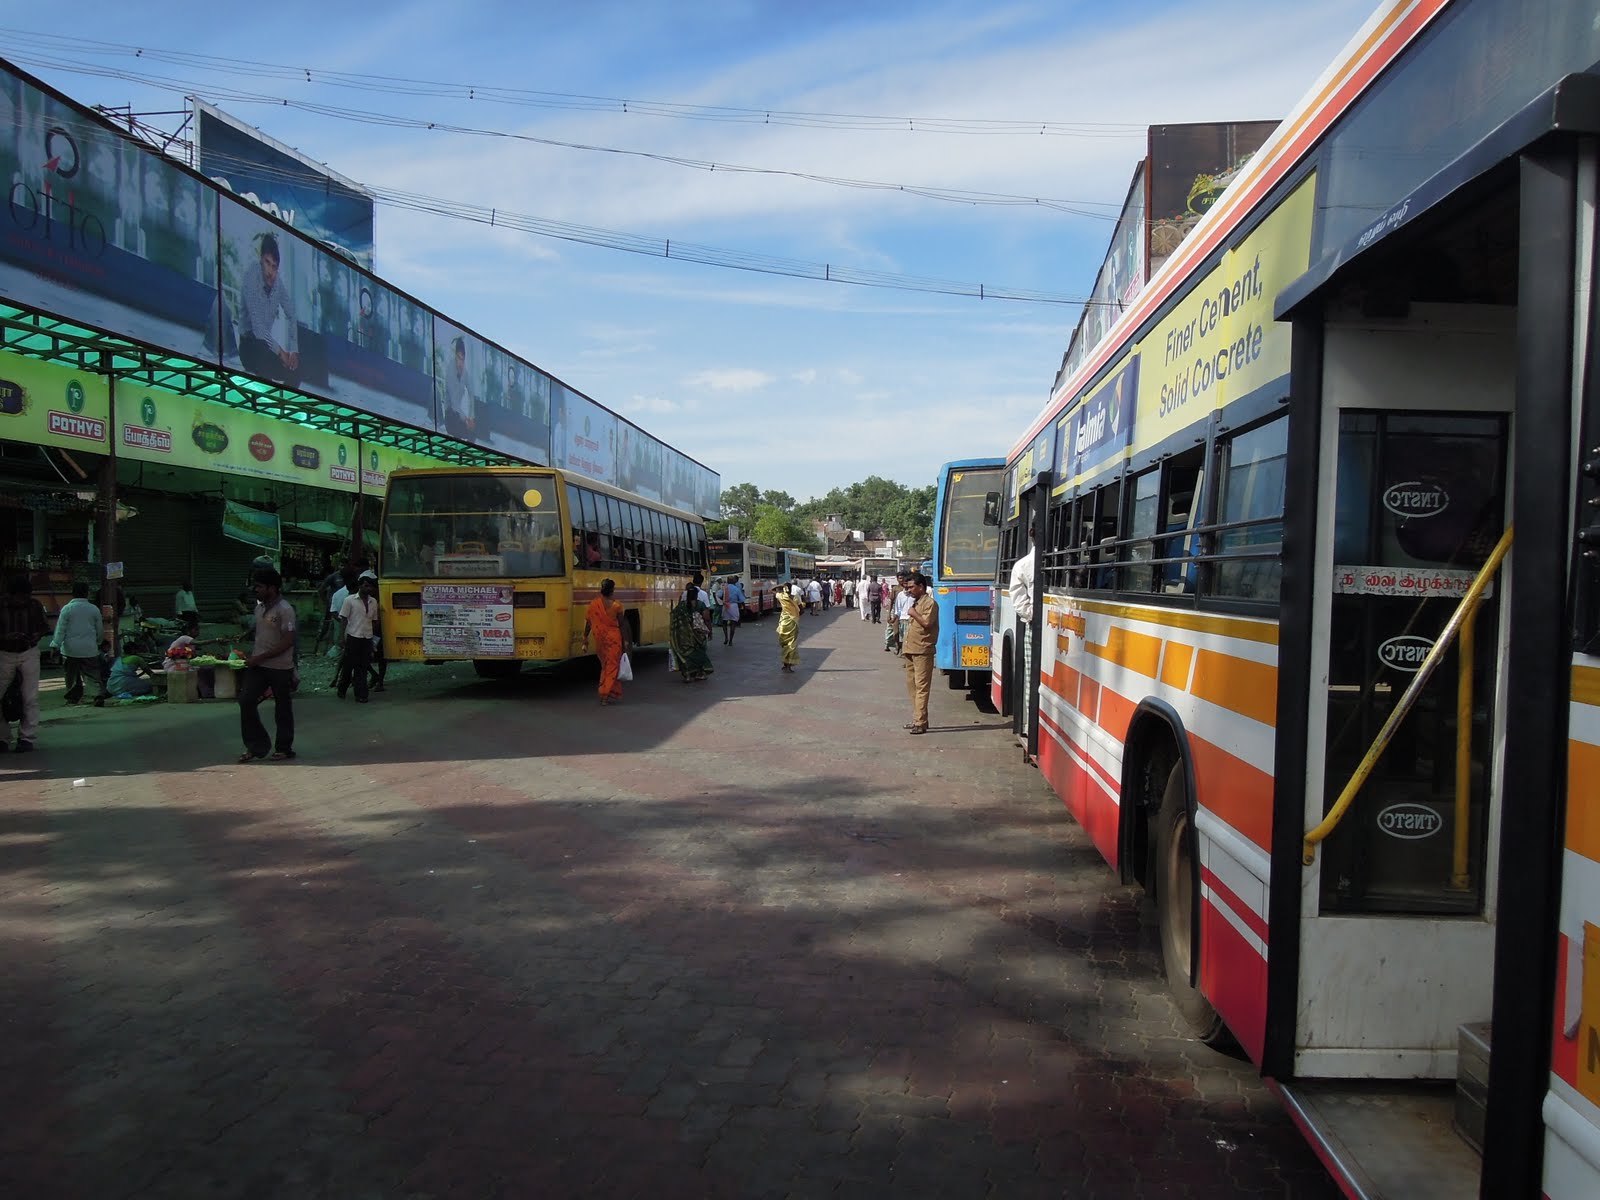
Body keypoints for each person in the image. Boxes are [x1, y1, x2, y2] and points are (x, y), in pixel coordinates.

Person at [238, 567, 297, 762]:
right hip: (258, 665)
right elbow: (261, 630)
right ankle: (256, 746)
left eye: (259, 586)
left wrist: (261, 657)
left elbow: (288, 641)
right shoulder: (259, 608)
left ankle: (284, 748)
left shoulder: (285, 610)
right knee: (246, 700)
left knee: (282, 708)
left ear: (272, 588)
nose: (255, 590)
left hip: (280, 667)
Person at [237, 232, 301, 387]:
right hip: (249, 346)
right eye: (267, 263)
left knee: (297, 370)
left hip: (267, 348)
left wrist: (293, 350)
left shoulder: (277, 283)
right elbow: (258, 329)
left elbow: (292, 314)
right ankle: (263, 395)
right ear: (261, 260)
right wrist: (281, 353)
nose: (270, 271)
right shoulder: (251, 276)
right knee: (263, 354)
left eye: (274, 266)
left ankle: (284, 400)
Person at [0, 574, 49, 751]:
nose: (23, 600)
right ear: (11, 594)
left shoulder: (34, 605)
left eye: (26, 596)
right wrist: (6, 637)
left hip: (29, 651)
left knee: (30, 697)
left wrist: (35, 636)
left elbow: (44, 627)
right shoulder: (1, 605)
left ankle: (27, 738)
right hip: (4, 653)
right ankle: (2, 738)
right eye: (20, 596)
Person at [52, 581, 109, 707]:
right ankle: (97, 695)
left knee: (72, 675)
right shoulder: (94, 609)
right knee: (92, 674)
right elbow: (100, 630)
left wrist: (55, 645)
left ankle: (73, 698)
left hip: (70, 649)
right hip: (89, 649)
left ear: (73, 593)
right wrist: (98, 642)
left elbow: (61, 629)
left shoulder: (67, 609)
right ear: (87, 593)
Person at [901, 572, 939, 734]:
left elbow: (927, 623)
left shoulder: (930, 603)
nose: (909, 590)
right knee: (913, 687)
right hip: (911, 649)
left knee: (922, 687)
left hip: (923, 649)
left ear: (921, 587)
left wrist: (913, 613)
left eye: (911, 587)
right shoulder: (916, 602)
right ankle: (919, 718)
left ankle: (920, 722)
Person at [583, 578, 629, 705]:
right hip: (614, 640)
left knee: (605, 666)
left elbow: (589, 622)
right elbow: (622, 625)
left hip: (600, 640)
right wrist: (625, 641)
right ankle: (605, 694)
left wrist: (585, 637)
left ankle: (608, 691)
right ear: (612, 590)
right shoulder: (617, 606)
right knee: (612, 667)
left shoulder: (594, 605)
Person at [336, 571, 379, 703]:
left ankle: (361, 694)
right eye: (365, 586)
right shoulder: (349, 600)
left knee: (362, 667)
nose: (368, 588)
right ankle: (342, 687)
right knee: (348, 666)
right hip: (353, 636)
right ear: (360, 586)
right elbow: (343, 619)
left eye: (370, 586)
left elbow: (374, 621)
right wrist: (341, 637)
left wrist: (373, 638)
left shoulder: (373, 602)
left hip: (367, 638)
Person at [668, 581, 714, 683]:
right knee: (699, 653)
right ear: (696, 595)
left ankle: (688, 675)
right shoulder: (700, 604)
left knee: (686, 656)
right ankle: (700, 673)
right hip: (698, 636)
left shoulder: (681, 606)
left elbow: (674, 616)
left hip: (683, 637)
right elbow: (707, 619)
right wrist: (710, 631)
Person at [163, 620, 215, 699]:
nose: (198, 632)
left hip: (184, 663)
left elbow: (193, 656)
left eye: (198, 630)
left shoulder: (191, 643)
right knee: (201, 670)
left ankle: (206, 692)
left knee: (208, 669)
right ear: (188, 631)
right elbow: (200, 643)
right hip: (174, 665)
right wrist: (216, 640)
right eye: (195, 630)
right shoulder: (184, 638)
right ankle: (205, 693)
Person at [443, 336, 476, 440]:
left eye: (462, 359)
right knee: (459, 427)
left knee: (473, 433)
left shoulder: (465, 372)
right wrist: (465, 419)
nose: (460, 363)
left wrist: (471, 417)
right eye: (458, 358)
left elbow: (471, 394)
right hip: (450, 414)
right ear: (455, 356)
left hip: (461, 415)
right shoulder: (450, 369)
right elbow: (454, 403)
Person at [1009, 524, 1037, 625]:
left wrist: (1033, 615)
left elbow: (1018, 601)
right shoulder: (1066, 559)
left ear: (1031, 533)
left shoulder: (1021, 565)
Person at [775, 576, 802, 672]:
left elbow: (773, 589)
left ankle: (785, 663)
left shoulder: (780, 596)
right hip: (793, 622)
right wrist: (795, 614)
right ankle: (789, 665)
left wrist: (782, 586)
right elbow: (801, 610)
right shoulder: (796, 597)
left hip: (783, 622)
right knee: (791, 644)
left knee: (785, 644)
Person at [887, 570, 914, 652]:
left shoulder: (911, 589)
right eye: (900, 578)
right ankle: (897, 645)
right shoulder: (895, 589)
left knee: (906, 633)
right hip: (897, 612)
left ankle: (904, 649)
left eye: (903, 578)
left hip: (907, 614)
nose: (901, 580)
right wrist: (889, 614)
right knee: (896, 631)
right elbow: (892, 601)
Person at [722, 576, 745, 645]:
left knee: (724, 622)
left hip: (725, 605)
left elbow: (719, 595)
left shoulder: (724, 588)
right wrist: (738, 603)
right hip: (734, 606)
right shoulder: (736, 589)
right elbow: (742, 599)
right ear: (734, 581)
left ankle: (726, 638)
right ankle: (730, 641)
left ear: (727, 581)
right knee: (733, 623)